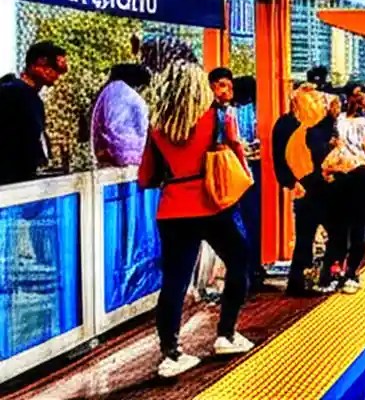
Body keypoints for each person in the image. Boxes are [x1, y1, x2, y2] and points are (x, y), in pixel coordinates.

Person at [138, 61, 253, 378]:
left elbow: (147, 176)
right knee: (240, 261)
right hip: (213, 203)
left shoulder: (158, 126)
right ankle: (226, 334)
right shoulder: (216, 116)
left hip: (173, 208)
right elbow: (236, 154)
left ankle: (171, 353)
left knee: (174, 281)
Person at [270, 85, 331, 296]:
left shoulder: (286, 124)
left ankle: (301, 280)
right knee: (319, 234)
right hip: (312, 186)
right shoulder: (301, 126)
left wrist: (289, 182)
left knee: (305, 235)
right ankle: (311, 279)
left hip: (306, 186)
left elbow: (278, 158)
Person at [319, 87, 365, 293]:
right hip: (346, 176)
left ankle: (348, 271)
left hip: (356, 175)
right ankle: (341, 271)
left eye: (362, 95)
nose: (360, 99)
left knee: (356, 229)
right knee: (345, 227)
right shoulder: (343, 121)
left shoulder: (362, 123)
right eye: (357, 94)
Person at [0, 41, 67, 185]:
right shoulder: (13, 93)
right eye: (55, 68)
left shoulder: (30, 97)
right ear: (38, 63)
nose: (57, 75)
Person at [89, 63, 152, 167]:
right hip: (127, 157)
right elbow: (137, 126)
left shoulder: (110, 91)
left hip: (110, 156)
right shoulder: (122, 93)